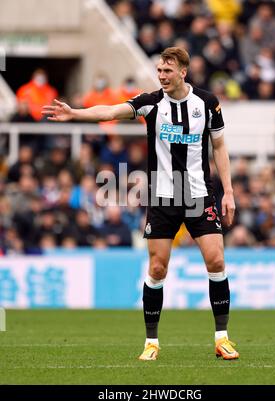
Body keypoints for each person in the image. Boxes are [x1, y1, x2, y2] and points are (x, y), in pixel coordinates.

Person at [42, 47, 239, 361]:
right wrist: (76, 113)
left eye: (167, 71)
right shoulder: (151, 103)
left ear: (183, 72)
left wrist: (228, 191)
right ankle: (151, 342)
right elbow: (109, 111)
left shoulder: (207, 103)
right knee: (157, 268)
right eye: (159, 70)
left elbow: (219, 146)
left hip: (200, 194)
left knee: (216, 261)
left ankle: (222, 338)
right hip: (163, 196)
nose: (161, 76)